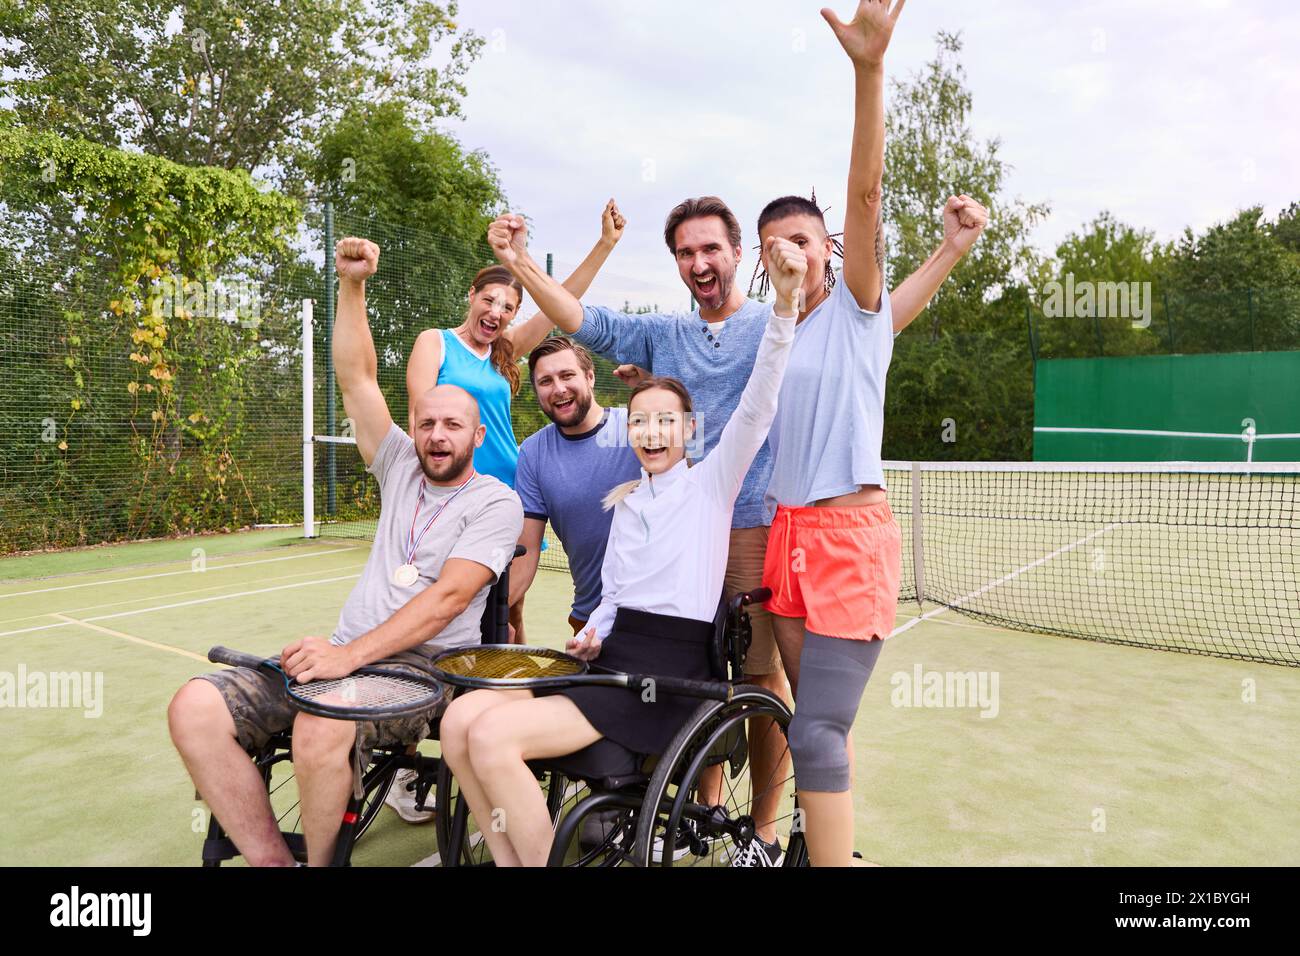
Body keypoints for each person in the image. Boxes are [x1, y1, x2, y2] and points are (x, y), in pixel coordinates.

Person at [529, 189, 986, 863]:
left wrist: (949, 249)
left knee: (763, 680)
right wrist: (523, 265)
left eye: (711, 247)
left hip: (760, 528)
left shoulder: (785, 315)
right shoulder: (667, 332)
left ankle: (767, 831)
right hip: (684, 533)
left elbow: (877, 321)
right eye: (685, 252)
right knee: (703, 670)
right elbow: (581, 319)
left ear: (742, 256)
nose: (699, 260)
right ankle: (706, 810)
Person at [434, 213, 808, 867]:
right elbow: (617, 593)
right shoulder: (630, 502)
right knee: (461, 722)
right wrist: (593, 628)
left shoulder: (713, 484)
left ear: (690, 430)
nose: (654, 432)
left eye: (667, 422)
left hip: (665, 680)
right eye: (642, 422)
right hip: (612, 662)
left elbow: (763, 395)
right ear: (627, 431)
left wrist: (783, 303)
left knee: (490, 739)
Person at [166, 236, 523, 866]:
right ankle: (276, 861)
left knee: (320, 722)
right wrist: (353, 285)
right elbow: (357, 377)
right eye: (427, 424)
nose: (437, 436)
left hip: (421, 671)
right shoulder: (399, 467)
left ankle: (325, 861)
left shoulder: (495, 502)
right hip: (340, 659)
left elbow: (448, 600)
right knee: (193, 707)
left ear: (479, 433)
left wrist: (346, 657)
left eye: (453, 426)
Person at [757, 0, 984, 867]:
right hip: (786, 539)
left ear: (829, 251)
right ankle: (836, 848)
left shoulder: (853, 308)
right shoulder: (777, 333)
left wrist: (868, 69)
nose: (790, 252)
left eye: (804, 240)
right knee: (812, 719)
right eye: (774, 242)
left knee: (816, 734)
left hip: (848, 538)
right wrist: (953, 252)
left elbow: (865, 194)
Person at [383, 202, 626, 824]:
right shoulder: (434, 342)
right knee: (427, 625)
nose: (498, 314)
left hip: (507, 508)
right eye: (490, 301)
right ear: (472, 296)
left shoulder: (506, 354)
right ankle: (409, 766)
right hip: (449, 504)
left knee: (504, 630)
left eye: (510, 310)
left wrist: (603, 245)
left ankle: (488, 759)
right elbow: (422, 417)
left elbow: (562, 299)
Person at [510, 336, 642, 635]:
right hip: (589, 619)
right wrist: (497, 609)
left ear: (590, 377)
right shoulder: (532, 453)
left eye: (567, 375)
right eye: (545, 381)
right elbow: (527, 550)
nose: (558, 389)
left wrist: (651, 379)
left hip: (656, 615)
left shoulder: (638, 425)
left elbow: (694, 433)